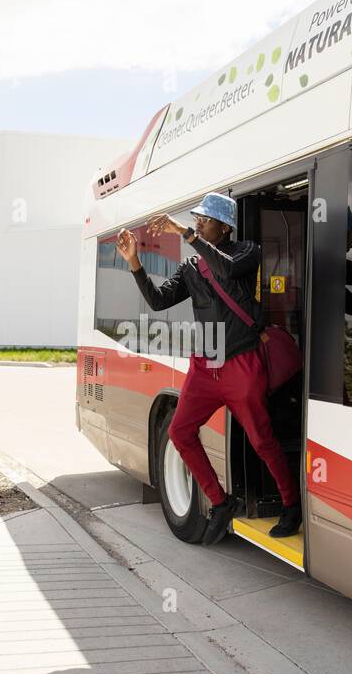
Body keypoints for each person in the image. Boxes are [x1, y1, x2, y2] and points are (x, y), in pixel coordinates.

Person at [116, 192, 301, 543]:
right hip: (205, 367)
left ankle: (291, 505)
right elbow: (158, 302)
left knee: (262, 441)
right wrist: (135, 264)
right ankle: (220, 501)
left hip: (242, 364)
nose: (198, 222)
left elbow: (226, 269)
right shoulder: (189, 268)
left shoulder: (248, 252)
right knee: (179, 431)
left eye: (205, 219)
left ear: (225, 227)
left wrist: (187, 235)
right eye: (197, 218)